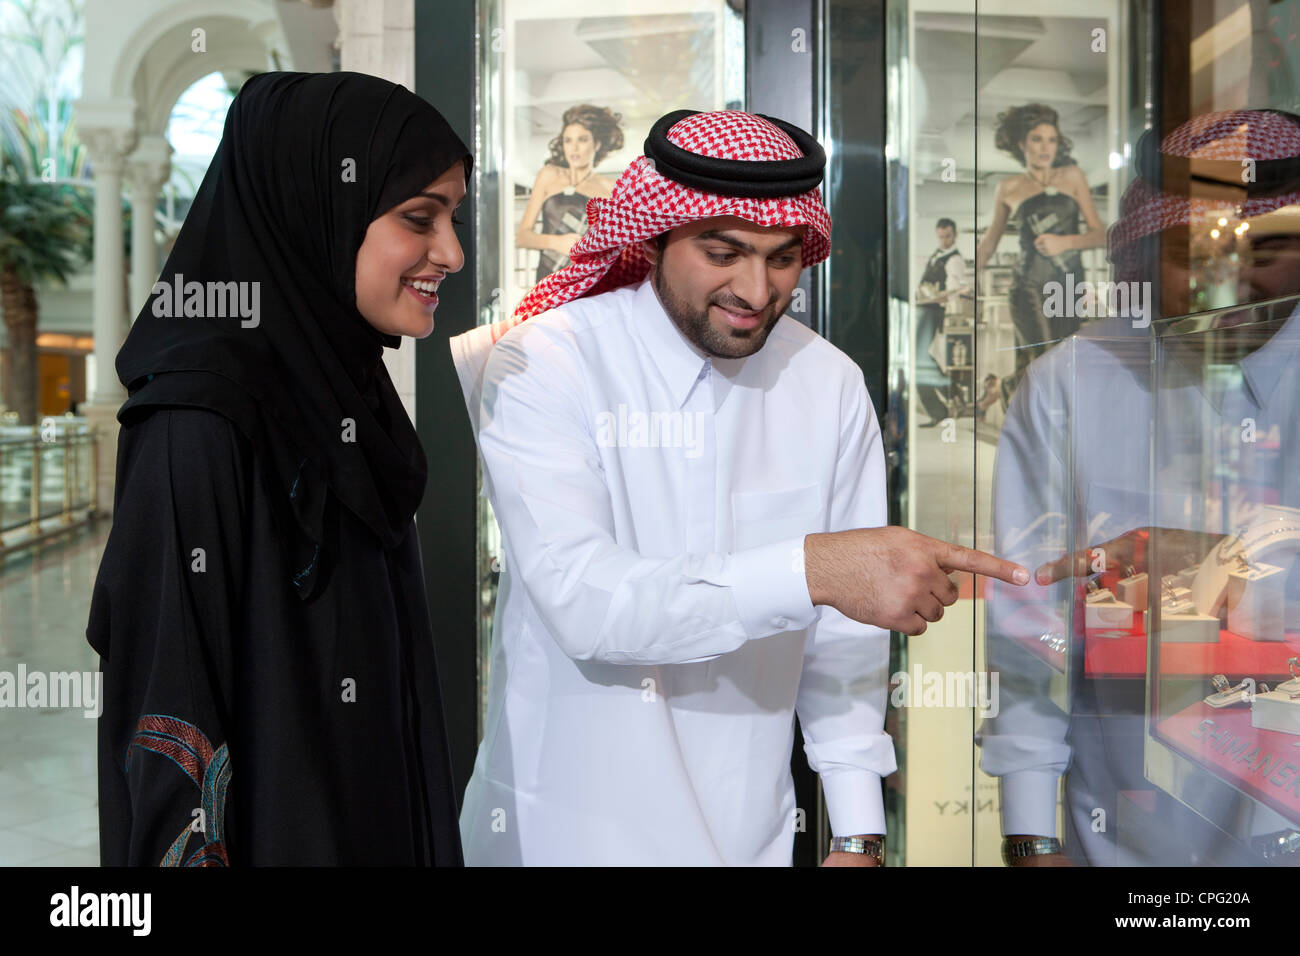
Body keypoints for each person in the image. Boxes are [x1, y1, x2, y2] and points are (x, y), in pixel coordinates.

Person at [450, 109, 1029, 866]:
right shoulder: (546, 366)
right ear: (655, 235)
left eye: (783, 259)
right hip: (565, 825)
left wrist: (857, 828)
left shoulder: (826, 383)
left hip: (745, 831)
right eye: (723, 252)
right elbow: (587, 605)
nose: (756, 289)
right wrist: (812, 569)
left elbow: (845, 637)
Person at [85, 71, 470, 865]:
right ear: (315, 208)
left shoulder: (347, 394)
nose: (453, 253)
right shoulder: (197, 424)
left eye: (454, 218)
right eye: (418, 218)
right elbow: (170, 735)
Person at [978, 108, 1300, 867]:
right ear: (1148, 252)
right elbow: (1028, 625)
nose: (1230, 282)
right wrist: (1030, 835)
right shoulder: (1072, 385)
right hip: (1126, 841)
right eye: (1201, 252)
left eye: (1270, 250)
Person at [975, 104, 1106, 400]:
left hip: (1069, 285)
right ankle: (1049, 437)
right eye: (1037, 139)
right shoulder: (1008, 187)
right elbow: (990, 243)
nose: (1045, 147)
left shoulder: (1073, 176)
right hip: (1028, 287)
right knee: (1051, 362)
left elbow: (1101, 236)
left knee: (1060, 363)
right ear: (1022, 144)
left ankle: (1007, 387)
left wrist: (1066, 243)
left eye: (1051, 139)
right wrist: (966, 280)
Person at [514, 104, 623, 283]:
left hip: (589, 280)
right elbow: (522, 237)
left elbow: (618, 245)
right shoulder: (549, 175)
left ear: (596, 144)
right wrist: (556, 243)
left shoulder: (610, 188)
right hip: (548, 279)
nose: (574, 148)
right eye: (568, 140)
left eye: (582, 139)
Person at [914, 217, 969, 426]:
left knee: (921, 362)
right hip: (924, 311)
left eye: (947, 237)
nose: (944, 241)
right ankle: (948, 403)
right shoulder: (938, 255)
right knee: (923, 361)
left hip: (934, 313)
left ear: (954, 235)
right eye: (941, 237)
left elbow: (957, 291)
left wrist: (934, 298)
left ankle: (951, 398)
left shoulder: (954, 260)